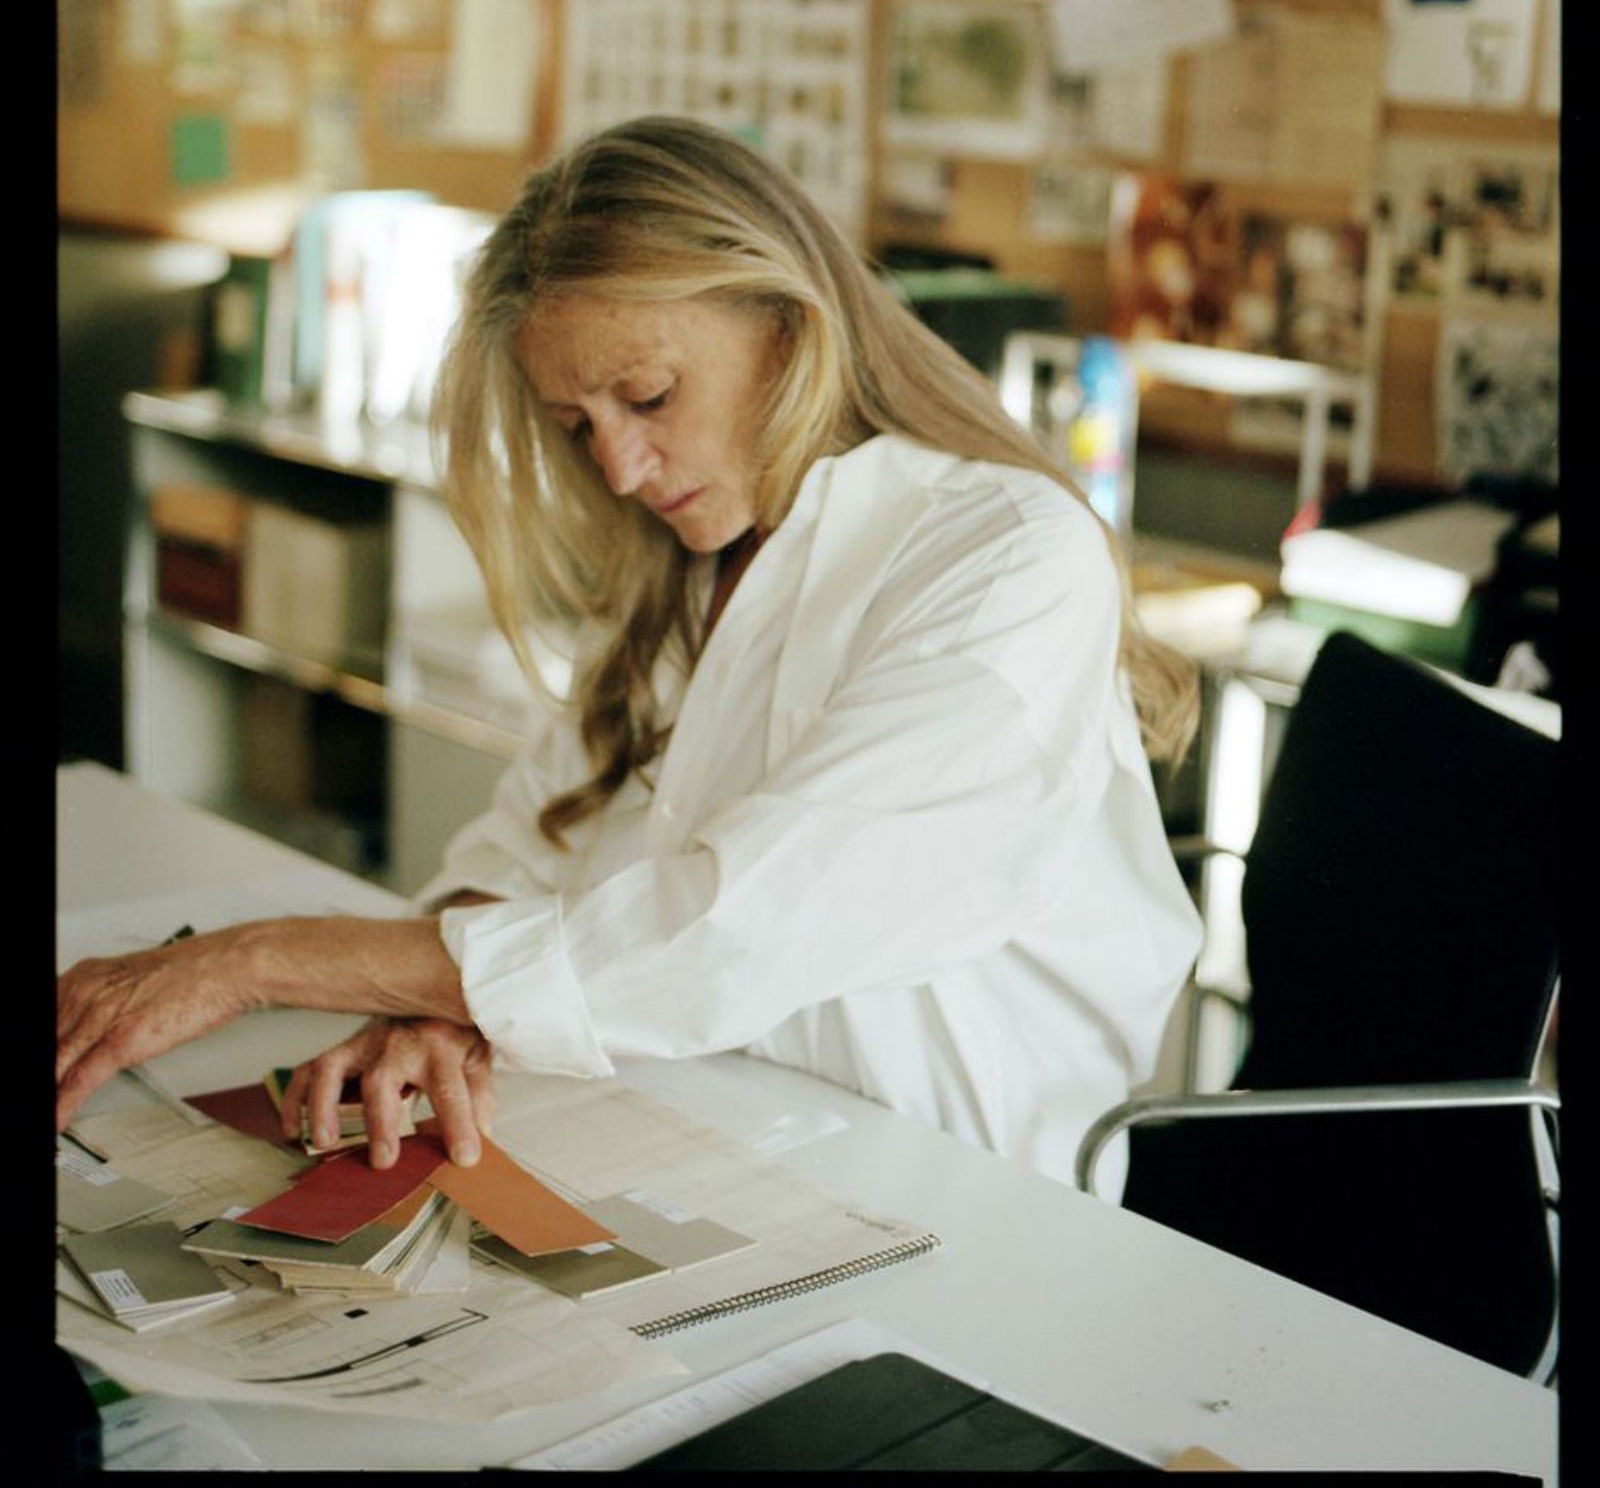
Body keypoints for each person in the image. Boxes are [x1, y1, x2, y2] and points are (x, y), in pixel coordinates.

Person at [57, 118, 1202, 1196]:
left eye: (648, 395)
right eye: (576, 424)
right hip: (733, 1118)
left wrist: (260, 960)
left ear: (786, 323)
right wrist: (437, 1009)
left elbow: (728, 931)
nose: (617, 465)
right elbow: (528, 834)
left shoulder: (1004, 560)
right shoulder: (700, 557)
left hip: (963, 1187)